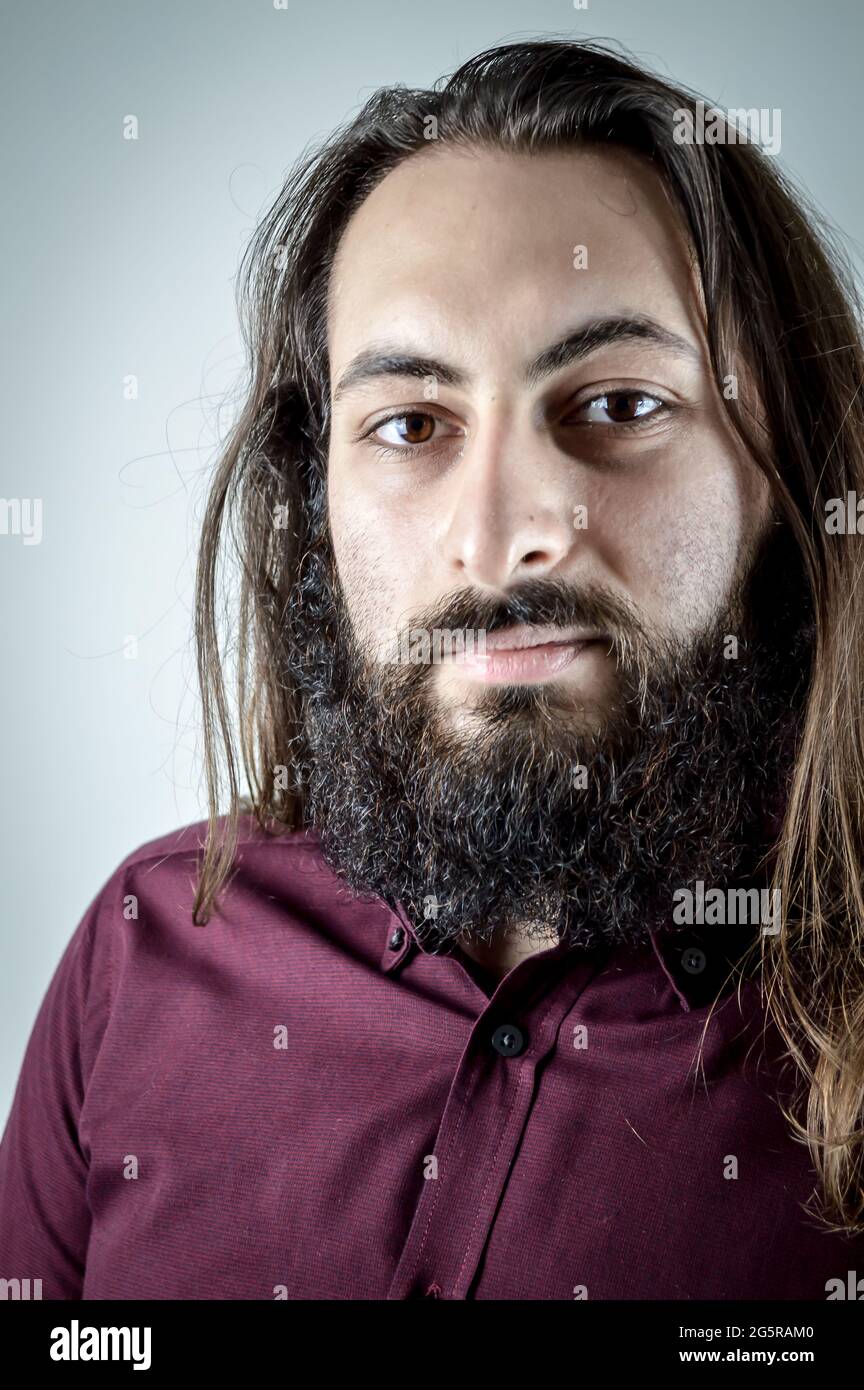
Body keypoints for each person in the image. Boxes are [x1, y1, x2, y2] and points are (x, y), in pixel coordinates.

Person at [3, 37, 864, 1301]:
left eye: (620, 404)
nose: (501, 527)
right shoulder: (143, 946)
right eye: (411, 424)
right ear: (319, 497)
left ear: (784, 478)